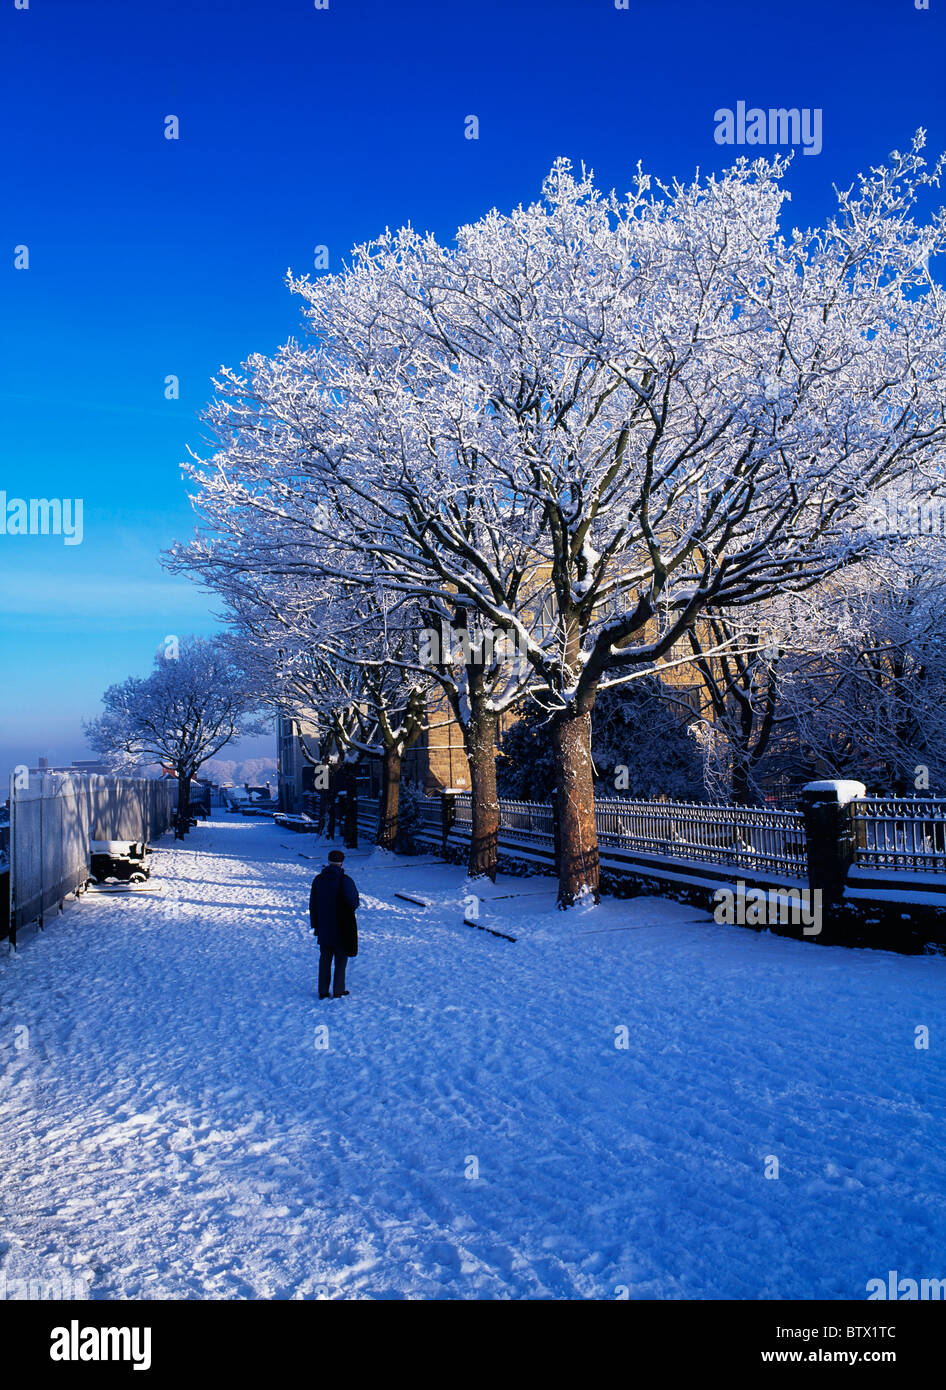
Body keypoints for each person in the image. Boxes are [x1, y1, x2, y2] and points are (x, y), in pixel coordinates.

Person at [309, 848, 360, 999]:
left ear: (329, 861)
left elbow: (313, 904)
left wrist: (316, 925)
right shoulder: (345, 880)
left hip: (324, 926)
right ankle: (339, 989)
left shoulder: (319, 880)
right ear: (341, 862)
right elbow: (354, 902)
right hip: (342, 926)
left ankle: (323, 991)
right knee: (341, 960)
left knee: (324, 959)